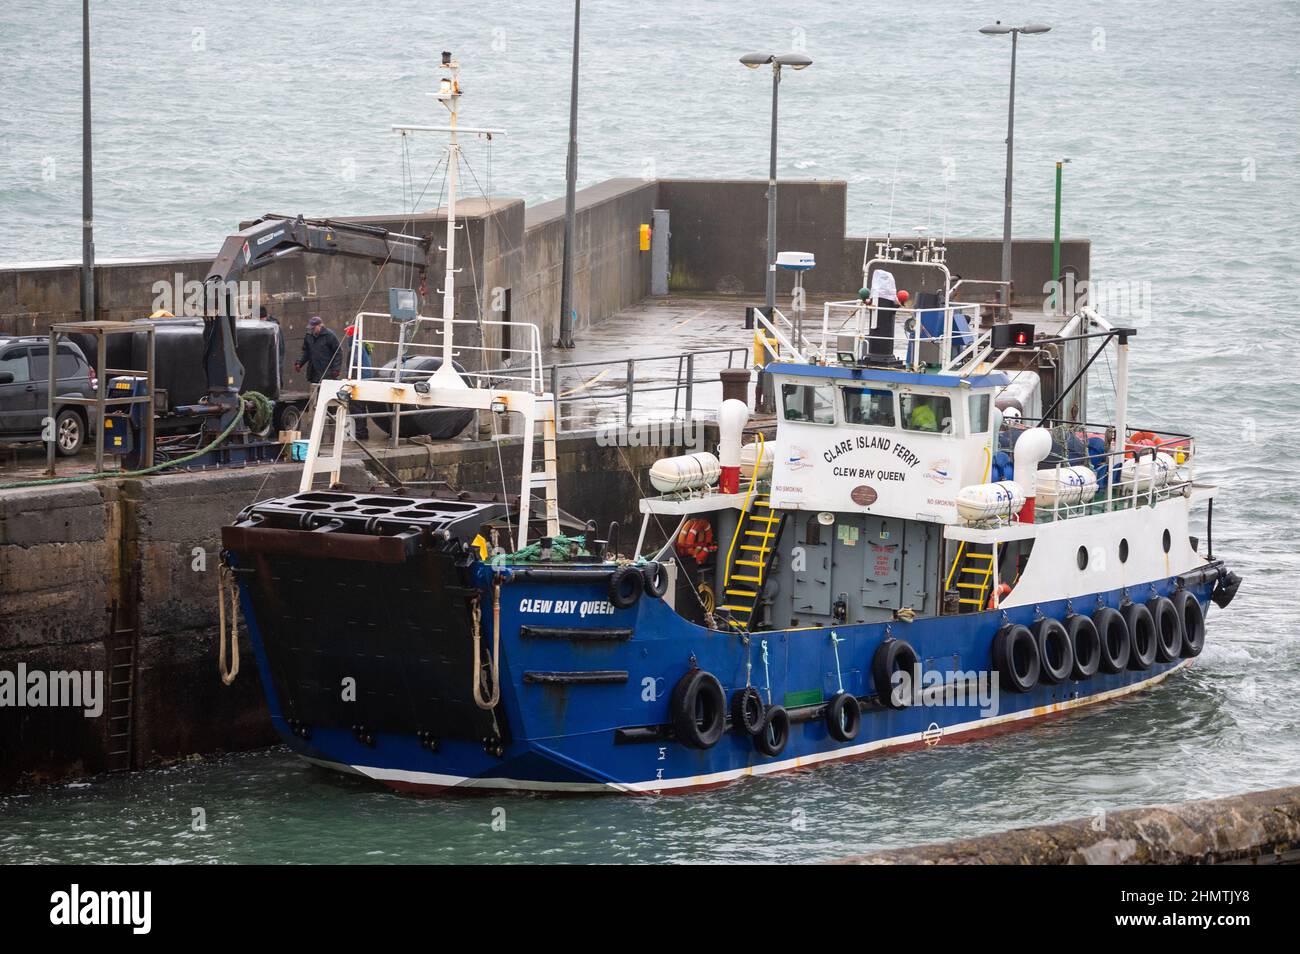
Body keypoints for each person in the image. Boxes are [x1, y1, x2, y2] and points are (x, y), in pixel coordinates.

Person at [343, 324, 375, 440]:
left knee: (356, 407)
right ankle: (363, 432)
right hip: (365, 380)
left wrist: (350, 379)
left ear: (351, 335)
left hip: (358, 381)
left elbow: (355, 363)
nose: (347, 337)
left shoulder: (355, 346)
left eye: (348, 334)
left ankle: (360, 433)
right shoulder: (362, 345)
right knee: (361, 407)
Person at [294, 316, 342, 384]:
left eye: (313, 328)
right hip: (313, 371)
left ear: (320, 326)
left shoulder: (329, 335)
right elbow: (306, 351)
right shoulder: (309, 336)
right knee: (315, 389)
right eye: (311, 328)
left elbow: (338, 352)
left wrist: (336, 369)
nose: (312, 330)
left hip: (327, 370)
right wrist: (299, 362)